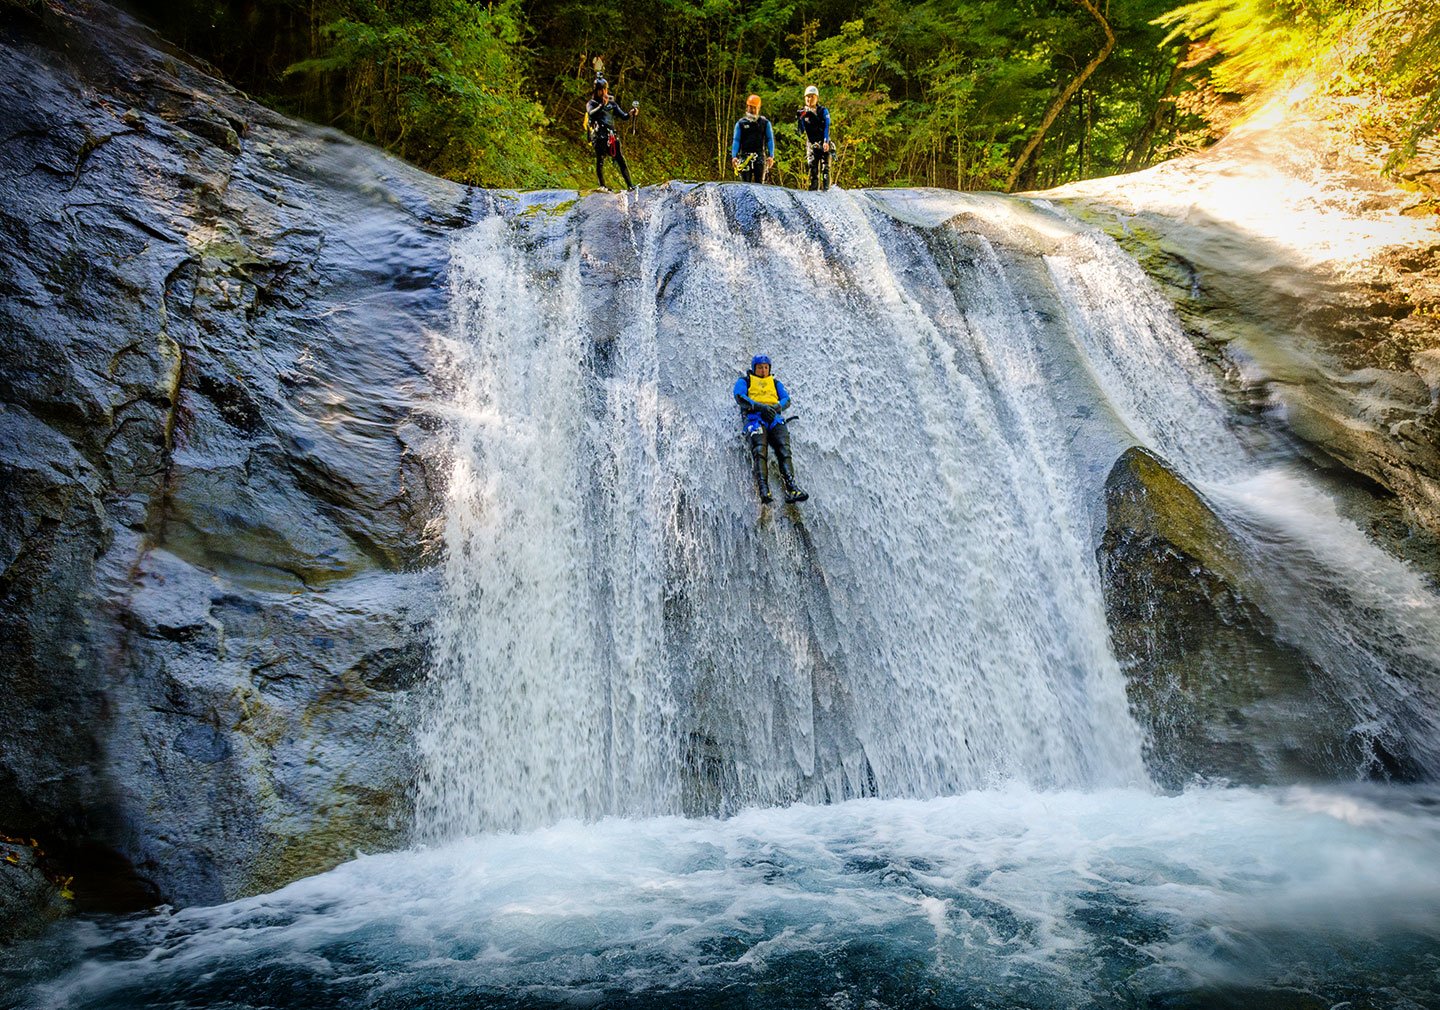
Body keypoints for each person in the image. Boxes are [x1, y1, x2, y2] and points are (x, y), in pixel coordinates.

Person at [732, 354, 808, 504]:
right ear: (754, 368)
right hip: (755, 418)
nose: (763, 370)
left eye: (766, 367)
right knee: (760, 450)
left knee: (784, 449)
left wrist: (775, 407)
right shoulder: (745, 381)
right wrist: (759, 407)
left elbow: (787, 399)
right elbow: (740, 397)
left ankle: (792, 488)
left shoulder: (775, 382)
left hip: (774, 418)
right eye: (760, 368)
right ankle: (763, 489)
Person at [585, 77, 638, 191]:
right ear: (596, 90)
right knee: (600, 161)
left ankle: (630, 185)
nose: (604, 92)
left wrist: (631, 113)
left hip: (612, 136)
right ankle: (602, 186)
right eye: (601, 90)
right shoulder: (592, 103)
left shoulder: (612, 104)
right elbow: (591, 113)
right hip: (599, 136)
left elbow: (623, 116)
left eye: (605, 89)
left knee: (621, 160)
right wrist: (601, 106)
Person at [730, 94, 774, 184]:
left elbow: (769, 139)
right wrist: (734, 156)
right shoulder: (741, 123)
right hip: (744, 157)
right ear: (747, 107)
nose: (753, 110)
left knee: (760, 184)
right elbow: (736, 140)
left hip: (759, 157)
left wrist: (771, 156)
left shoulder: (765, 123)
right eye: (751, 107)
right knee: (745, 185)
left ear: (758, 108)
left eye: (755, 108)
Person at [796, 85, 831, 191]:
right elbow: (800, 131)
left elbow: (827, 126)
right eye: (807, 97)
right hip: (811, 144)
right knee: (813, 170)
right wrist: (799, 119)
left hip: (823, 142)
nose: (809, 99)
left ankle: (827, 191)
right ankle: (813, 193)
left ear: (816, 98)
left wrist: (826, 141)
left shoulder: (823, 111)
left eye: (812, 96)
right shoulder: (803, 112)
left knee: (825, 169)